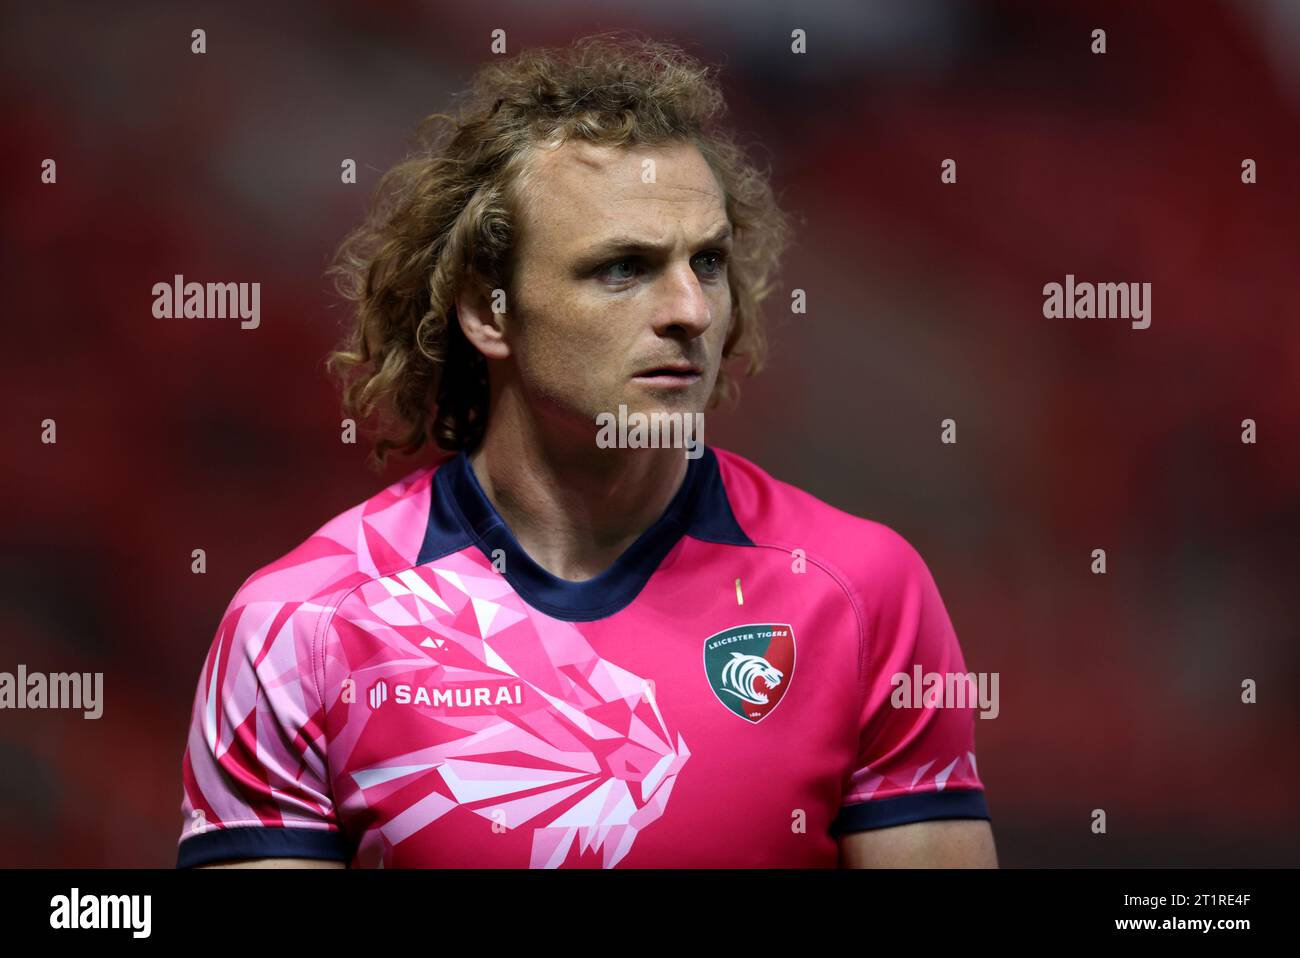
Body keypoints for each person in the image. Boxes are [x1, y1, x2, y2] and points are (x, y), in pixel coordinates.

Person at [176, 33, 996, 869]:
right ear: (488, 312)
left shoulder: (861, 595)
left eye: (706, 262)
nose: (692, 310)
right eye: (623, 268)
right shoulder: (305, 627)